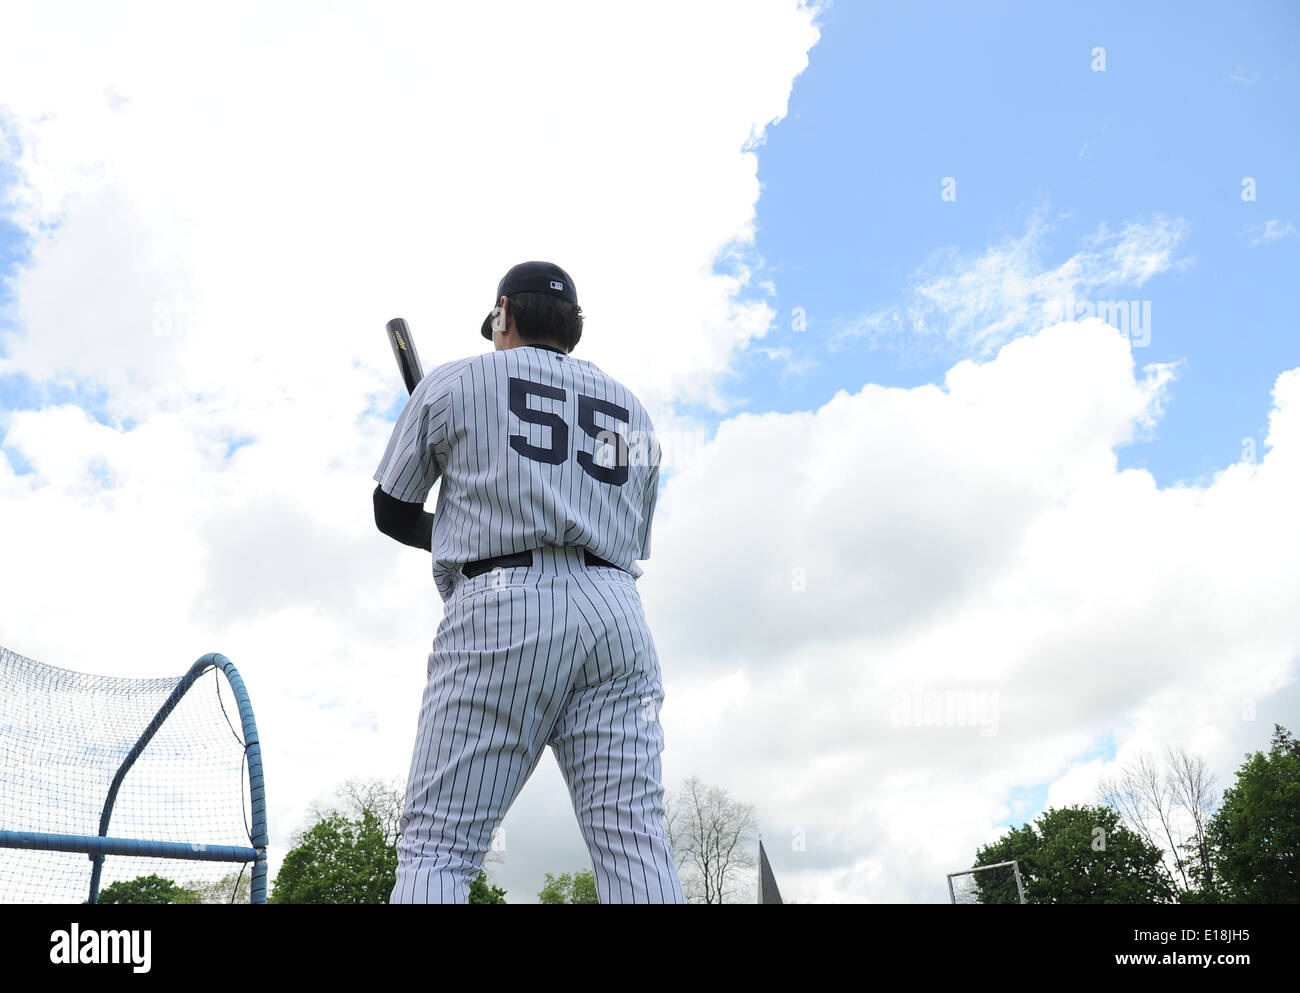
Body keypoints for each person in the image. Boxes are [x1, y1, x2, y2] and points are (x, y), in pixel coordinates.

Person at [372, 261, 684, 904]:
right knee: (635, 846)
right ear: (575, 327)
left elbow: (392, 511)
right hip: (617, 612)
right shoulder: (633, 407)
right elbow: (635, 539)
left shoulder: (455, 380)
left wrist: (455, 526)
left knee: (439, 848)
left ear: (504, 313)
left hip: (505, 603)